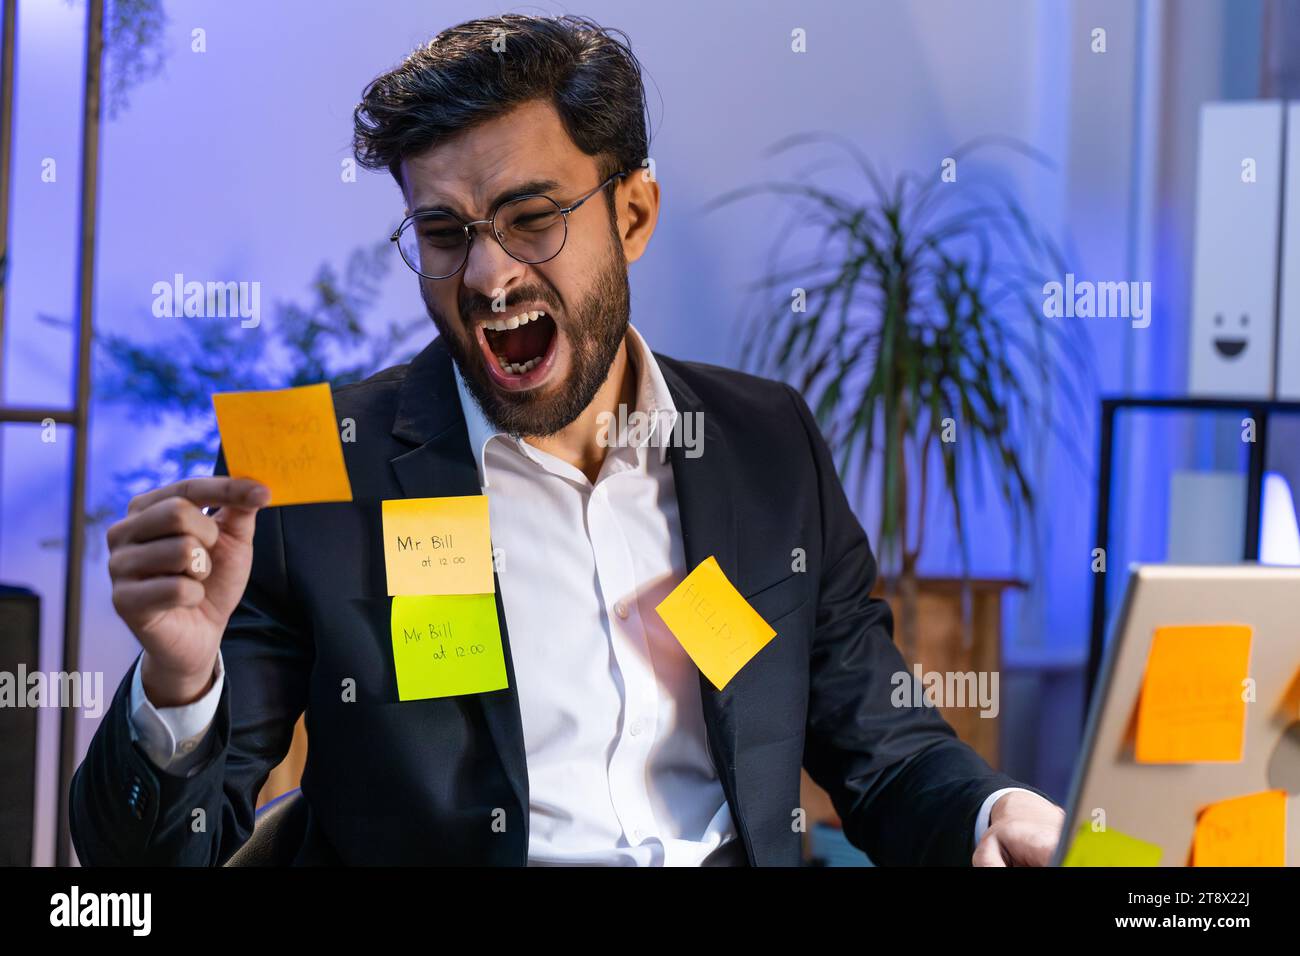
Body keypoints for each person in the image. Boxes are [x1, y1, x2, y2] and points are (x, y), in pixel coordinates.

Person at [72, 13, 1064, 866]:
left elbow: (879, 745)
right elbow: (149, 860)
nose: (488, 276)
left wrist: (991, 806)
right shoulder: (320, 463)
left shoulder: (768, 442)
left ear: (633, 212)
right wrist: (179, 681)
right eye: (446, 231)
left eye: (531, 217)